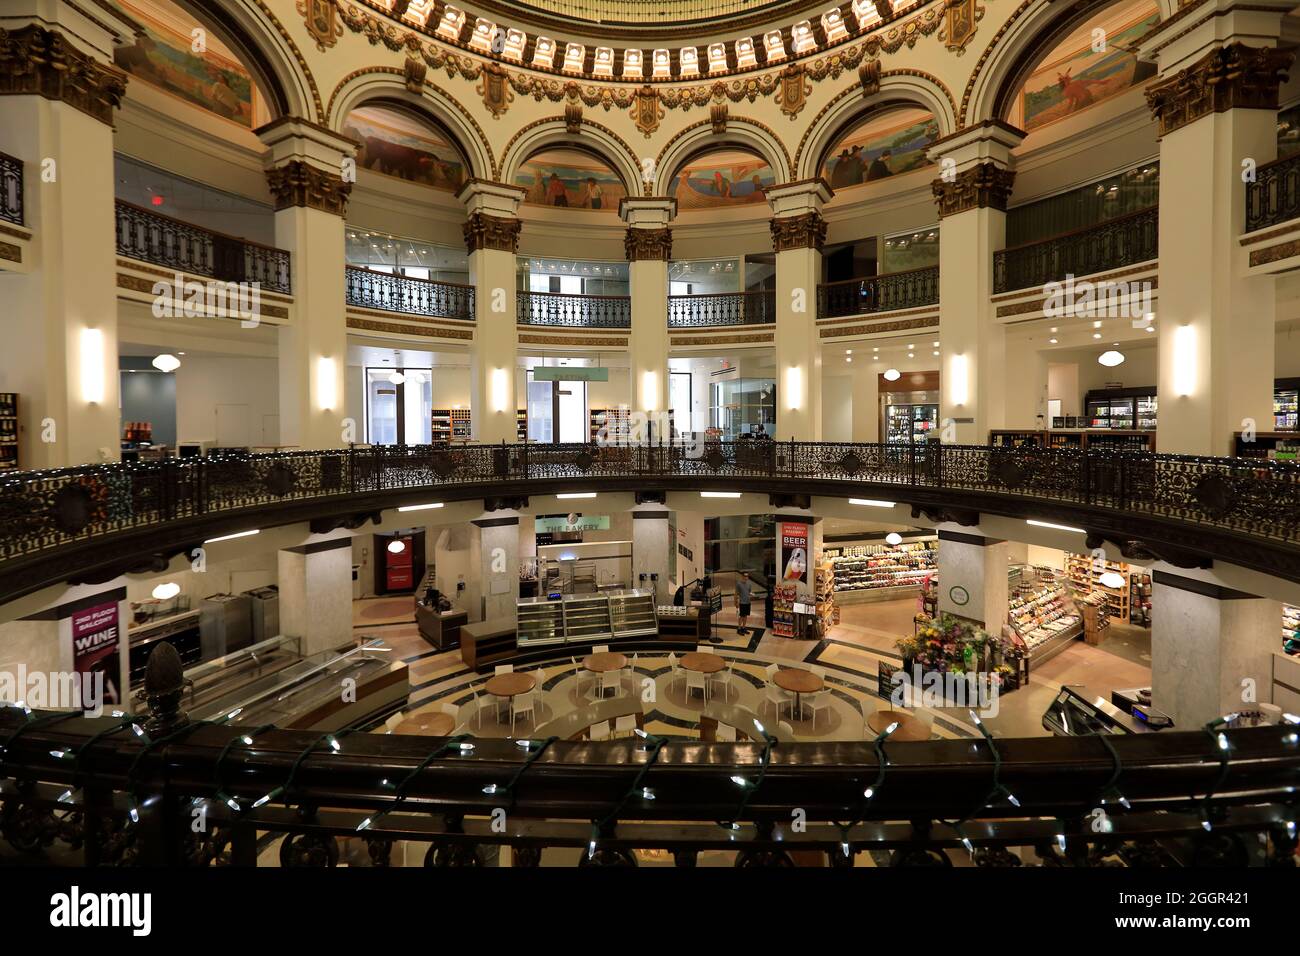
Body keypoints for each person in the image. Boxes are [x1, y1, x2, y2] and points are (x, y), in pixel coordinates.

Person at [735, 570, 754, 636]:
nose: (746, 577)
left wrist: (751, 594)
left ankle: (744, 627)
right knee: (741, 616)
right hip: (742, 602)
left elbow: (749, 592)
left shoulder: (749, 583)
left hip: (748, 602)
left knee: (745, 615)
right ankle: (739, 628)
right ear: (742, 576)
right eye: (745, 576)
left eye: (747, 576)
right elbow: (736, 594)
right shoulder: (738, 584)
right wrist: (736, 603)